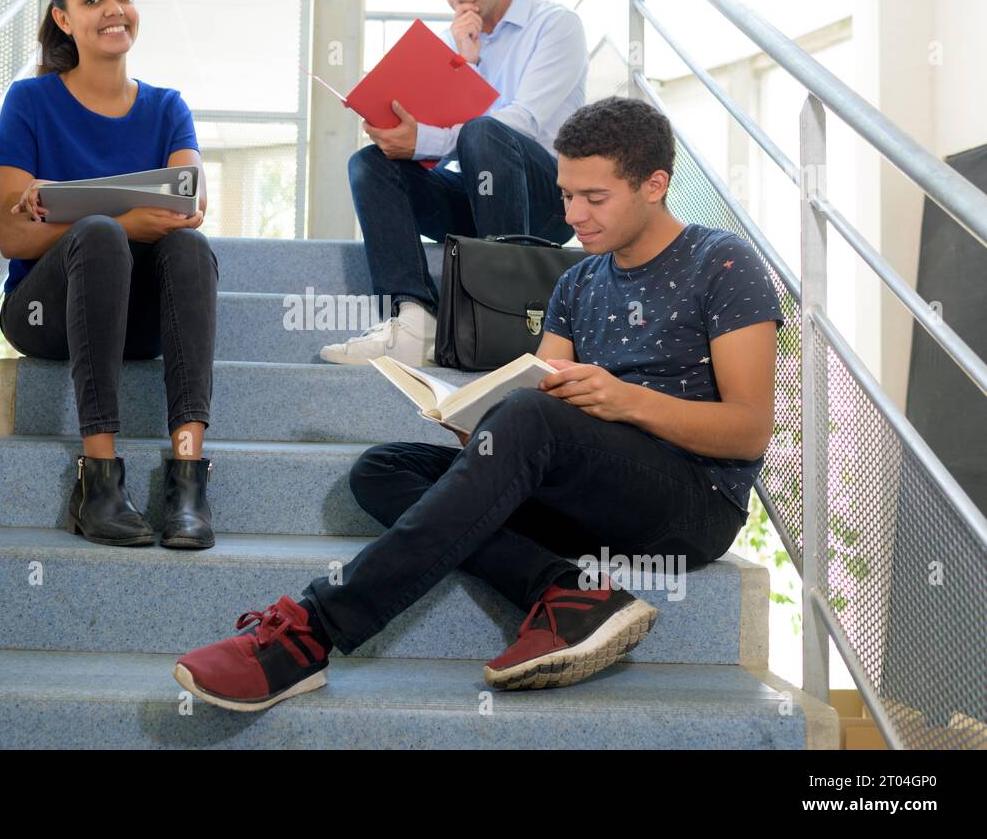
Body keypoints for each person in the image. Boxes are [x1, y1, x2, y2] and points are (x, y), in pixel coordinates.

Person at [174, 97, 784, 710]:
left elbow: (749, 431)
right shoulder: (577, 280)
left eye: (594, 198)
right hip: (585, 488)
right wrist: (480, 423)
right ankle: (569, 594)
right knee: (384, 470)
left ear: (655, 185)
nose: (574, 216)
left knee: (526, 421)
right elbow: (540, 388)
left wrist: (624, 400)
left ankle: (309, 635)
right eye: (567, 194)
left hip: (689, 505)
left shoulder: (723, 264)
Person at [0, 0, 218, 550]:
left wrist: (163, 218)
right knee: (99, 232)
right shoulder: (30, 102)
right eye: (93, 0)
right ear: (63, 18)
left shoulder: (167, 107)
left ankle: (188, 479)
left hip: (138, 323)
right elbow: (12, 237)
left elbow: (189, 202)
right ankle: (99, 479)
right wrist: (122, 218)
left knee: (191, 248)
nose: (114, 10)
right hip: (47, 315)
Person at [320, 0, 588, 367]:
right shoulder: (454, 41)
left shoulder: (556, 26)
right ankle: (415, 318)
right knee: (369, 164)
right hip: (478, 198)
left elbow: (520, 123)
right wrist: (453, 75)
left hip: (545, 201)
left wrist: (423, 137)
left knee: (488, 131)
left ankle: (505, 310)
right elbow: (445, 147)